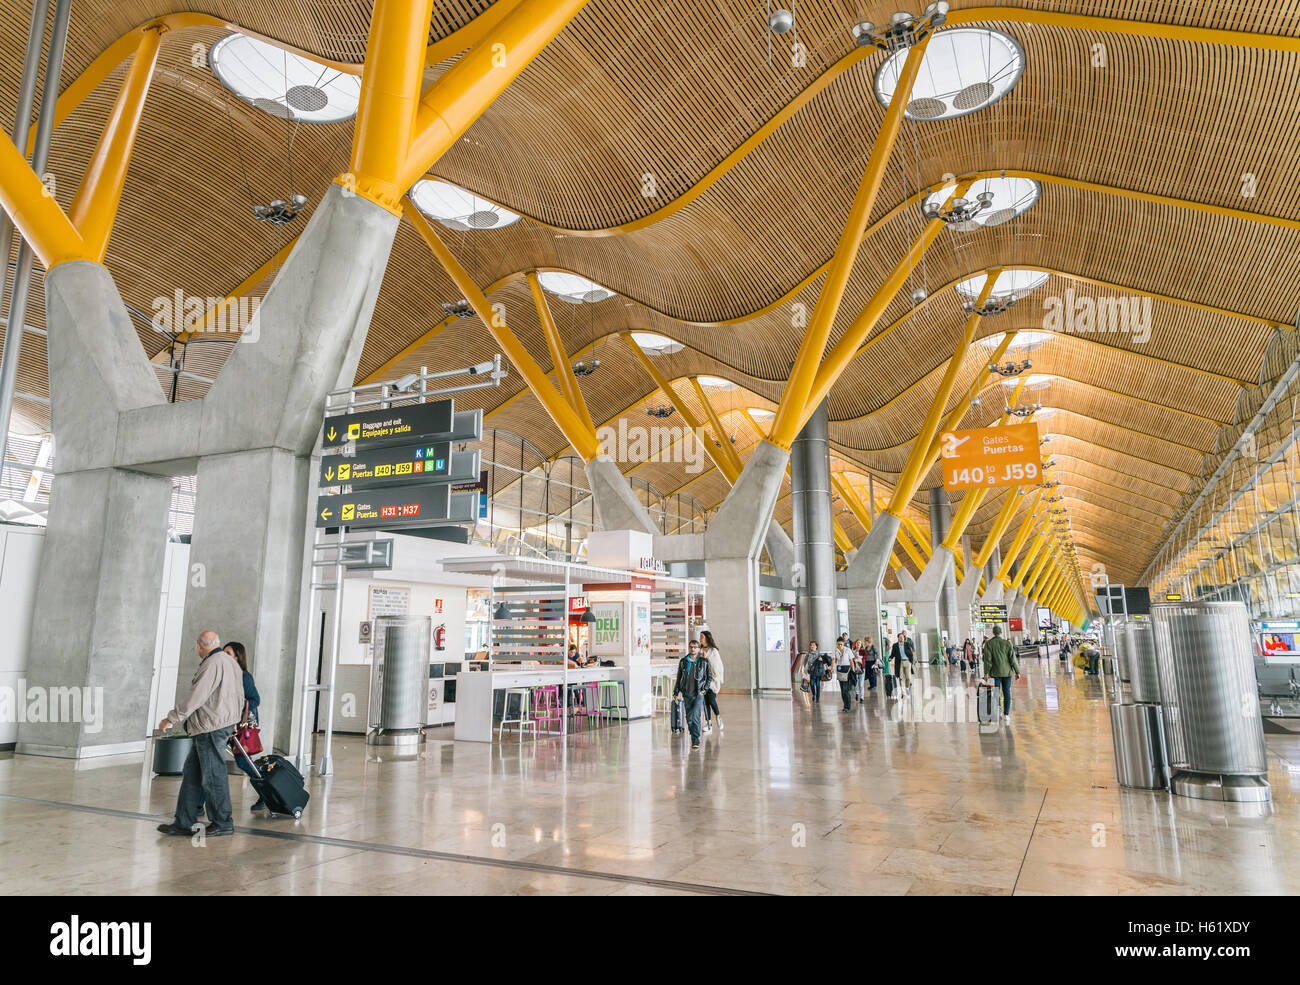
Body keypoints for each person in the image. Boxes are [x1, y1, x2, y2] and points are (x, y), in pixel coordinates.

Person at [157, 630, 244, 837]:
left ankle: (222, 822)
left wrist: (171, 718)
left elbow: (197, 696)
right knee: (192, 774)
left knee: (213, 775)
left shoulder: (212, 663)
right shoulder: (231, 662)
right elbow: (239, 694)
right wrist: (235, 720)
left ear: (199, 646)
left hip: (210, 727)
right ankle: (184, 821)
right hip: (219, 724)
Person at [223, 642, 265, 812]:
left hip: (240, 726)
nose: (223, 655)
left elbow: (255, 700)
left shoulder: (244, 677)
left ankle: (265, 791)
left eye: (228, 653)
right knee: (210, 760)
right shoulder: (222, 674)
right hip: (223, 723)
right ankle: (198, 805)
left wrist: (236, 707)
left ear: (237, 657)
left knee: (243, 761)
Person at [674, 638, 712, 749]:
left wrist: (704, 689)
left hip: (699, 693)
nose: (693, 649)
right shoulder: (683, 661)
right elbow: (679, 678)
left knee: (695, 716)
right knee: (689, 718)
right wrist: (676, 692)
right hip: (686, 693)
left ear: (699, 649)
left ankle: (696, 740)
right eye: (691, 647)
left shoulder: (704, 662)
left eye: (695, 647)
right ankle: (693, 736)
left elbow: (709, 677)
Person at [981, 624, 1021, 725]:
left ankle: (998, 708)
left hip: (995, 673)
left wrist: (986, 672)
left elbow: (988, 660)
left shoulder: (989, 644)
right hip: (1007, 673)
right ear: (1001, 633)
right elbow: (1013, 659)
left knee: (996, 692)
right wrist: (1017, 672)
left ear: (993, 633)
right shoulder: (1007, 643)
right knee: (1007, 692)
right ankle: (1006, 714)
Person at [700, 630, 725, 731]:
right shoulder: (700, 649)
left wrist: (706, 658)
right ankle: (708, 723)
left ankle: (718, 716)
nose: (700, 638)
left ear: (706, 638)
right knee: (705, 701)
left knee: (711, 699)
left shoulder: (713, 651)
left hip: (713, 679)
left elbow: (717, 665)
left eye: (702, 636)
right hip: (703, 679)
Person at [834, 639, 856, 712]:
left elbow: (851, 661)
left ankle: (848, 706)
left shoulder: (848, 650)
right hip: (840, 670)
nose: (840, 645)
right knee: (842, 690)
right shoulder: (836, 650)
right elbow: (834, 660)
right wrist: (831, 668)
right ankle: (845, 705)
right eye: (838, 644)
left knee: (846, 689)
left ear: (843, 644)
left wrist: (853, 670)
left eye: (841, 644)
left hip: (847, 670)